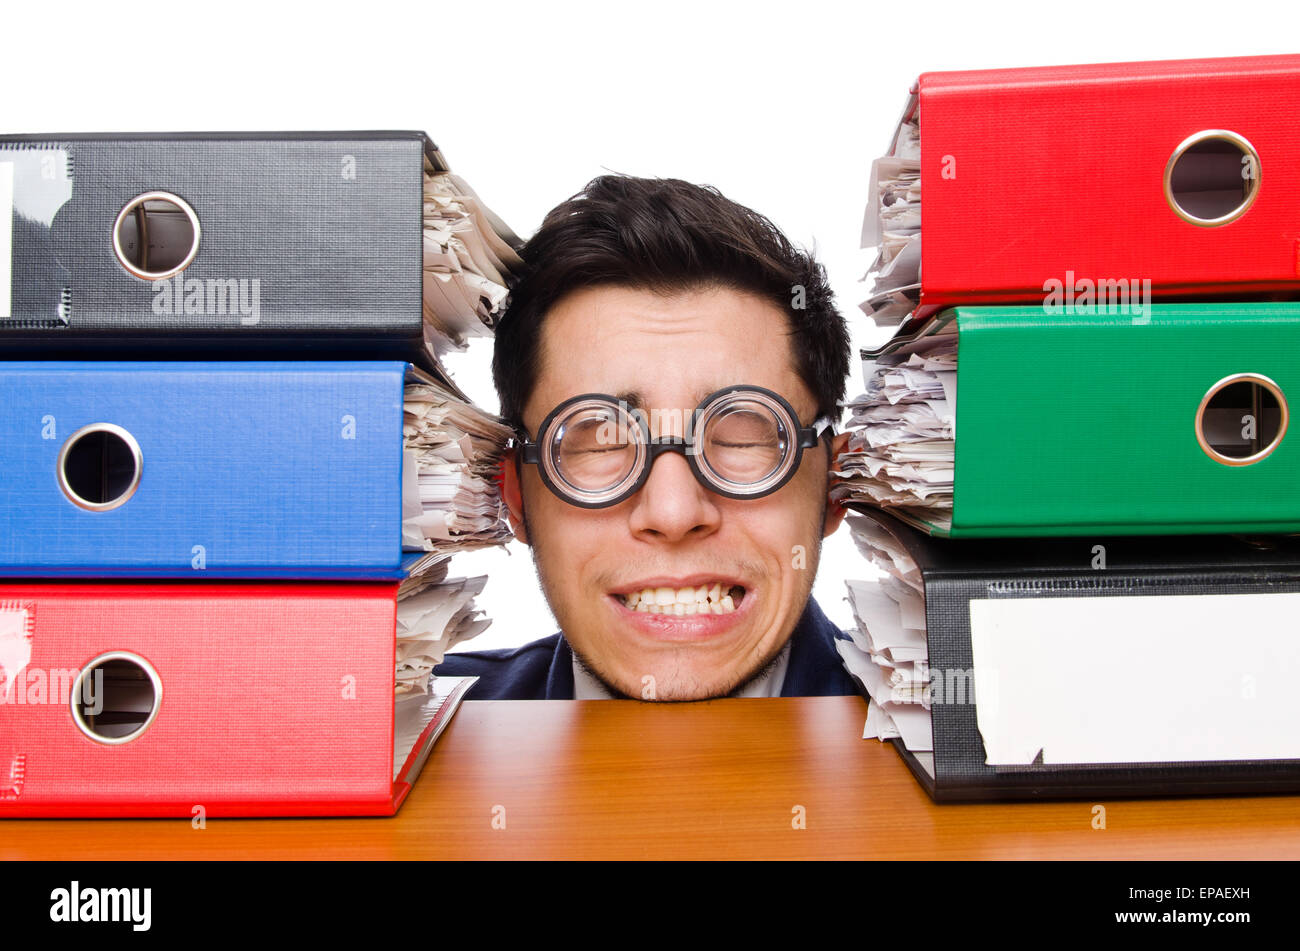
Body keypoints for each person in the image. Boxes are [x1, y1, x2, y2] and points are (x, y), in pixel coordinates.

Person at [435, 175, 857, 701]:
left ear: (837, 486)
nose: (674, 514)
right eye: (602, 442)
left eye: (742, 438)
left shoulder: (963, 742)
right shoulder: (386, 739)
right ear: (516, 499)